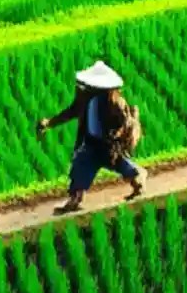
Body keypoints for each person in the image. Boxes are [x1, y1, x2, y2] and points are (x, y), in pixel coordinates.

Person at [37, 60, 146, 215]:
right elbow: (71, 112)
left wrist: (118, 135)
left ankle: (138, 180)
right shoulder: (84, 98)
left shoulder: (115, 101)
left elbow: (125, 121)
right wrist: (50, 123)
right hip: (90, 142)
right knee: (80, 167)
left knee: (121, 164)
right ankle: (75, 199)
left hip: (109, 143)